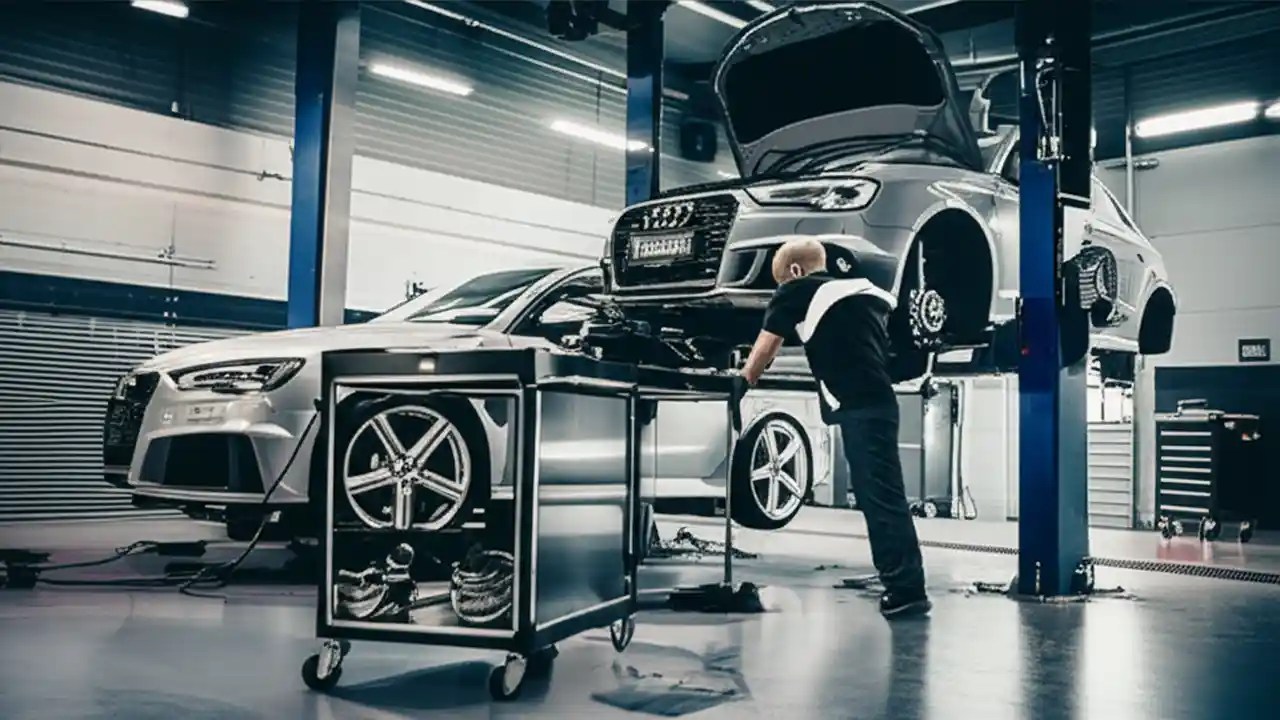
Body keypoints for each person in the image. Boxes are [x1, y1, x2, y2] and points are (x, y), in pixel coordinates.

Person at [739, 238, 930, 619]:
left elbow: (767, 345)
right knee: (883, 494)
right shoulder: (868, 293)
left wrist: (743, 382)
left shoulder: (797, 289)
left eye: (781, 282)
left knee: (878, 498)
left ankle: (906, 588)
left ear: (794, 272)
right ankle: (902, 578)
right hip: (880, 402)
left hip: (860, 405)